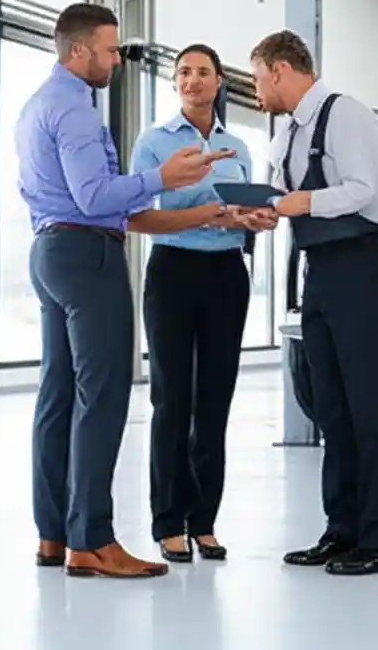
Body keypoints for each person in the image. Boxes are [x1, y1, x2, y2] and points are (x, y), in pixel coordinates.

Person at [16, 2, 234, 579]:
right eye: (111, 50)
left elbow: (94, 201)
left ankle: (53, 534)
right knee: (103, 395)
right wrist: (165, 178)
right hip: (87, 255)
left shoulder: (37, 104)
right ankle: (92, 539)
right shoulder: (78, 111)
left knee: (58, 395)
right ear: (80, 50)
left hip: (50, 252)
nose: (117, 59)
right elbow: (95, 199)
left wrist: (202, 207)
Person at [247, 29, 378, 576]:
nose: (255, 90)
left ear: (279, 69)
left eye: (256, 77)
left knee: (374, 404)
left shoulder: (346, 114)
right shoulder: (287, 134)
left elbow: (365, 189)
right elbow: (280, 194)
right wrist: (260, 210)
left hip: (365, 265)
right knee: (331, 405)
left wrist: (301, 201)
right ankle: (342, 531)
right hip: (320, 268)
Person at [132, 43, 277, 564]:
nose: (192, 80)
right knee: (172, 400)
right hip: (173, 270)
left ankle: (204, 521)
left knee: (215, 399)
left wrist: (256, 218)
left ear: (219, 82)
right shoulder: (153, 143)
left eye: (202, 73)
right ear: (176, 83)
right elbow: (143, 213)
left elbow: (243, 209)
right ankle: (168, 521)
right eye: (183, 73)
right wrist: (211, 210)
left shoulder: (237, 145)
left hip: (225, 273)